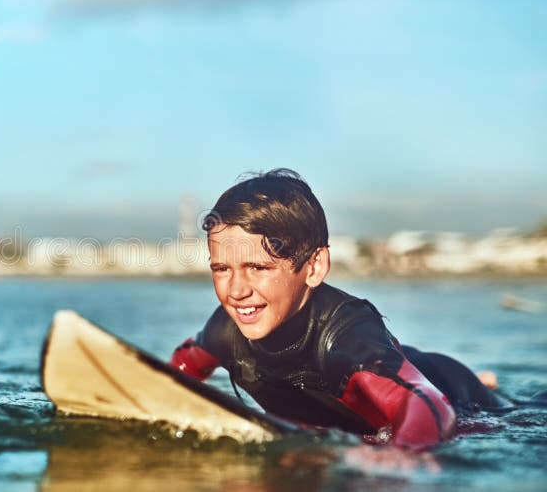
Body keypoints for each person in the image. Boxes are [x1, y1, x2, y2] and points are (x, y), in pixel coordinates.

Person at [170, 168, 507, 451]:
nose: (237, 291)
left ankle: (484, 385)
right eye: (221, 269)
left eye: (259, 268)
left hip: (446, 391)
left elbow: (431, 407)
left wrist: (397, 459)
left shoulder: (347, 337)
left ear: (314, 266)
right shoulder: (226, 330)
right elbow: (182, 367)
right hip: (377, 393)